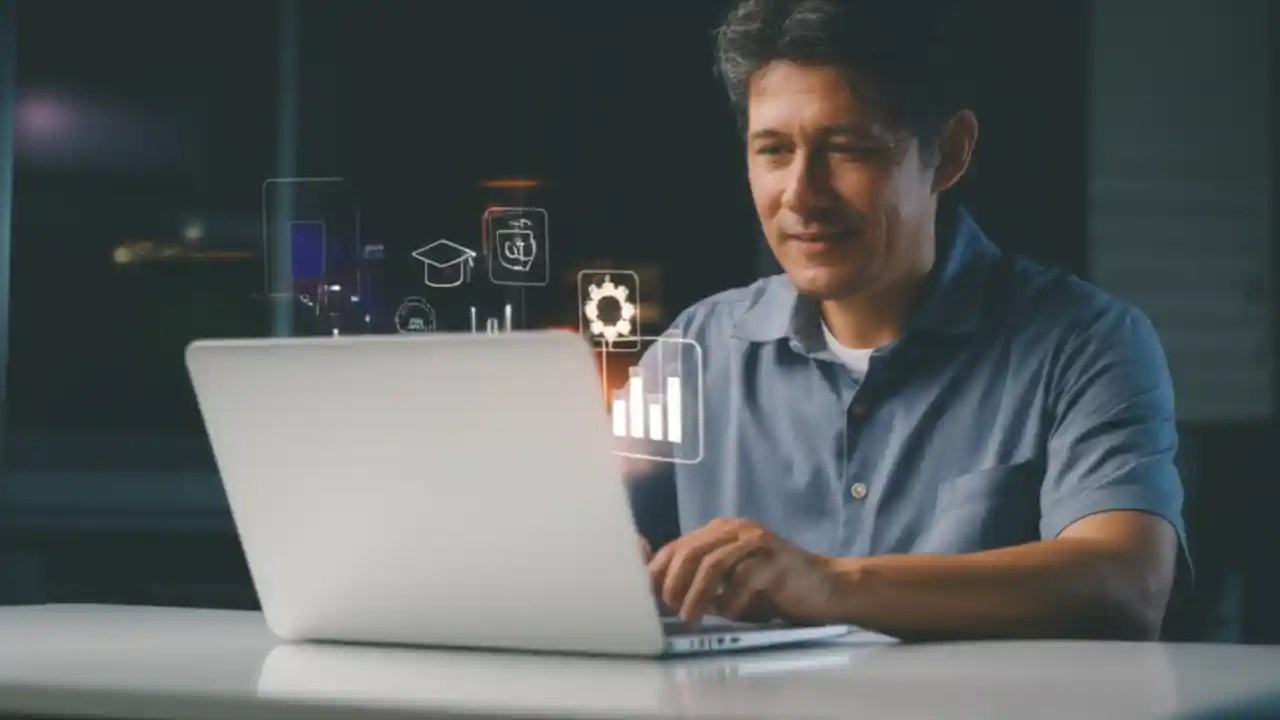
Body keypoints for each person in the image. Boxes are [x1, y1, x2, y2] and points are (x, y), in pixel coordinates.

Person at [628, 0, 1189, 641]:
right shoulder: (692, 350)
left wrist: (828, 585)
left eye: (848, 149)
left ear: (949, 153)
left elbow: (1128, 584)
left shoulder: (1085, 343)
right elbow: (594, 543)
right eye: (774, 151)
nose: (801, 194)